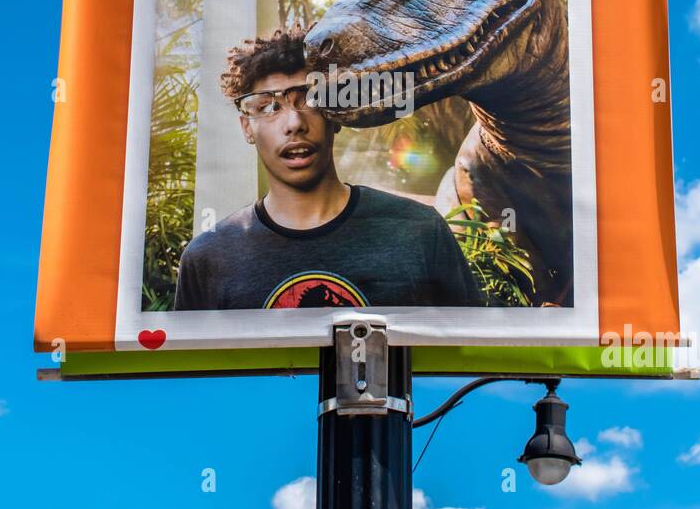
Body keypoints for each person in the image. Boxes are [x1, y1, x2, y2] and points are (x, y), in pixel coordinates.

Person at [173, 26, 484, 310]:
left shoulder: (419, 230)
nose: (294, 123)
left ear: (336, 113)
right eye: (268, 108)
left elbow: (467, 363)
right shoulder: (208, 259)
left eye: (309, 99)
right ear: (247, 128)